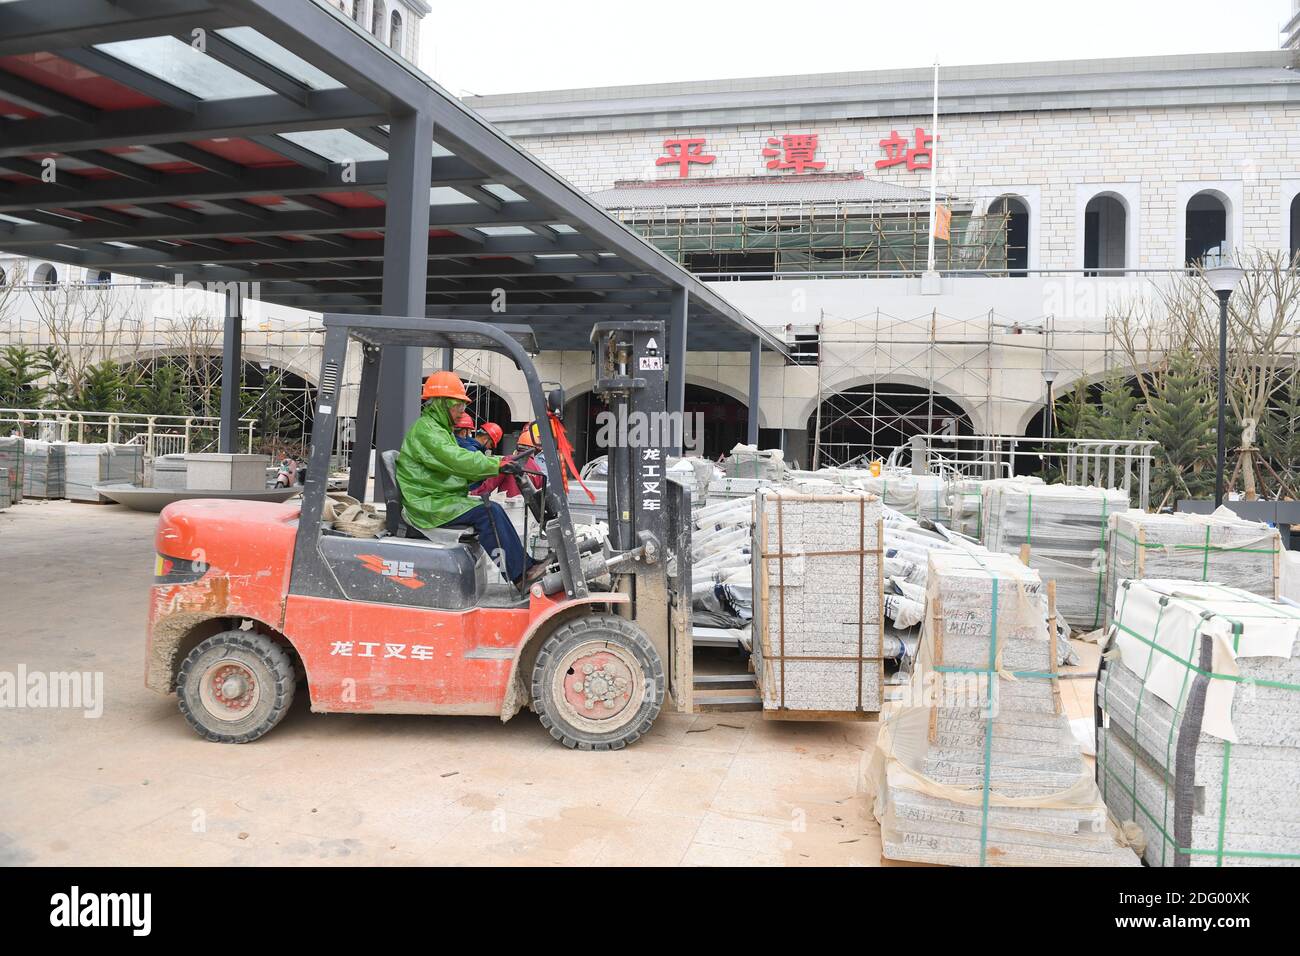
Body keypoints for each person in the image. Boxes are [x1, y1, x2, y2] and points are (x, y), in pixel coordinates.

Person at [395, 371, 542, 586]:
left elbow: (455, 464)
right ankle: (520, 576)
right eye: (458, 405)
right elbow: (456, 459)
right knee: (488, 512)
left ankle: (525, 567)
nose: (462, 411)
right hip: (428, 503)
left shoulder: (439, 430)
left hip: (437, 495)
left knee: (491, 508)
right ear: (443, 404)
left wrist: (496, 464)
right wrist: (496, 465)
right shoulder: (427, 431)